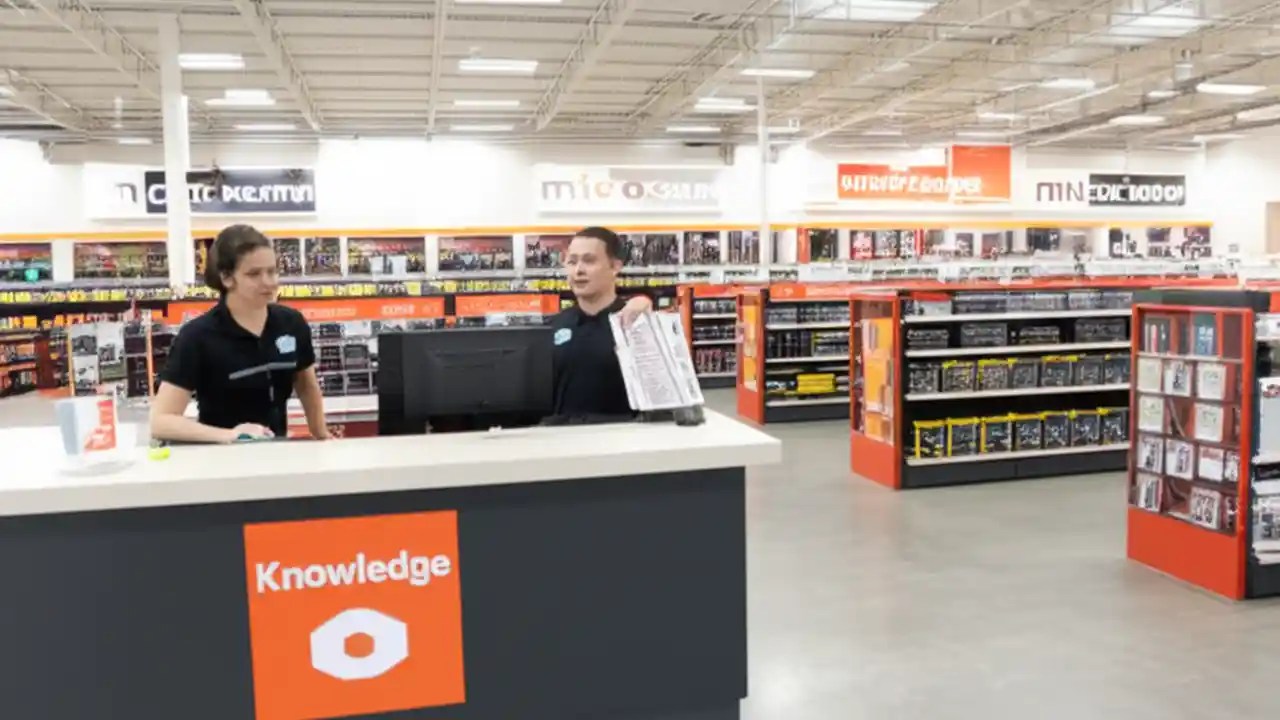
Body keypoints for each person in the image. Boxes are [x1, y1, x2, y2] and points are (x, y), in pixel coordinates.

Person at [149, 224, 329, 444]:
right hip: (220, 462)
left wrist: (322, 436)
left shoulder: (291, 323)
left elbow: (307, 387)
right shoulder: (197, 337)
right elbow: (161, 421)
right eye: (254, 274)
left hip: (278, 457)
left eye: (272, 271)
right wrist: (231, 435)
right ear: (226, 278)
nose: (269, 282)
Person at [549, 226, 653, 422]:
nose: (578, 270)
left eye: (589, 260)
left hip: (621, 443)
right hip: (563, 442)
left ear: (615, 266)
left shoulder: (635, 324)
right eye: (572, 261)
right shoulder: (556, 324)